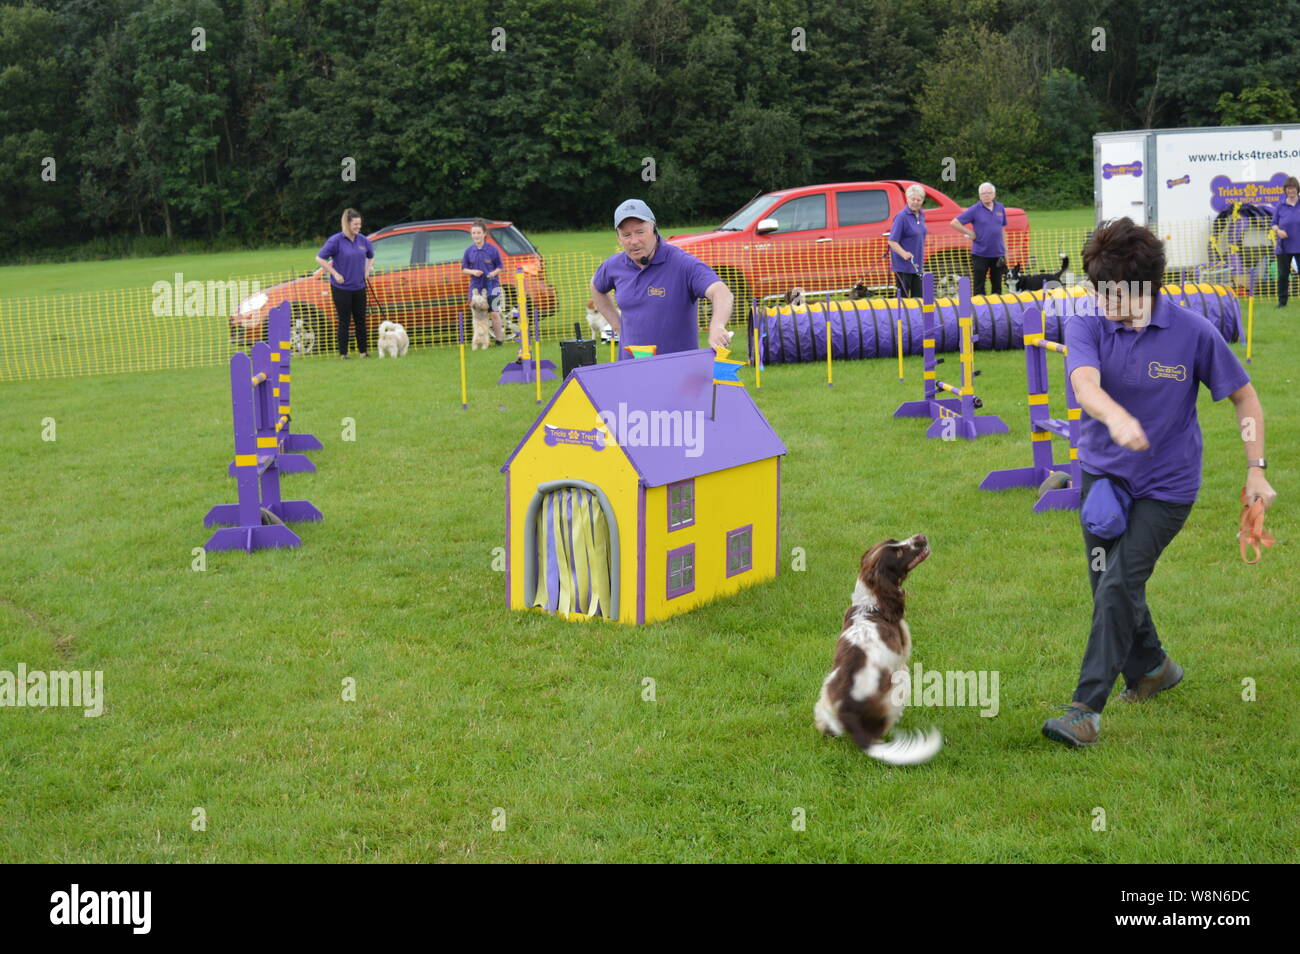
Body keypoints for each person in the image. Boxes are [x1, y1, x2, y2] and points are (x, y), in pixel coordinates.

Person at [1041, 218, 1276, 748]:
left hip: (1166, 487)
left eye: (1116, 295)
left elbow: (1245, 398)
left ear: (1148, 289)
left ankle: (1085, 710)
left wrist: (1255, 469)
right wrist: (1116, 417)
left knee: (1121, 584)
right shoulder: (1087, 322)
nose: (1105, 304)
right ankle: (1154, 669)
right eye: (1098, 292)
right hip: (1104, 478)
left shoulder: (1193, 333)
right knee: (1109, 584)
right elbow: (1083, 383)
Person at [589, 199, 733, 356]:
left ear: (654, 228)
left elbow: (721, 292)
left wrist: (717, 325)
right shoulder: (613, 266)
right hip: (630, 368)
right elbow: (596, 286)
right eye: (626, 235)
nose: (634, 241)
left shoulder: (682, 263)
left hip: (679, 370)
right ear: (618, 237)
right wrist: (617, 326)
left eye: (640, 232)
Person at [316, 208, 374, 358]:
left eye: (359, 224)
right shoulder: (336, 240)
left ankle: (363, 352)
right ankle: (344, 354)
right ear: (347, 224)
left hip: (359, 286)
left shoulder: (363, 240)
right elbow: (320, 259)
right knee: (344, 321)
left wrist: (367, 270)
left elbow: (371, 256)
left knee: (360, 320)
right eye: (355, 224)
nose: (358, 227)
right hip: (341, 288)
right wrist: (335, 273)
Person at [951, 182, 1007, 296]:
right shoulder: (975, 209)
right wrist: (970, 233)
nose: (986, 195)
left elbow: (1002, 229)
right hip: (980, 254)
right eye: (983, 193)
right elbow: (954, 223)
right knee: (979, 285)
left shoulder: (1000, 207)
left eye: (989, 193)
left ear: (994, 194)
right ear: (979, 196)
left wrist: (1005, 250)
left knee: (997, 284)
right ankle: (979, 310)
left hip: (998, 254)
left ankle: (996, 310)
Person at [462, 218, 507, 345]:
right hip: (475, 287)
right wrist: (473, 272)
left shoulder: (493, 250)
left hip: (493, 286)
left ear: (484, 234)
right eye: (473, 233)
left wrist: (493, 273)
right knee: (477, 316)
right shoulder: (469, 251)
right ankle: (480, 341)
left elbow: (500, 267)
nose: (476, 235)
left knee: (495, 314)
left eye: (478, 232)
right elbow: (464, 269)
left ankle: (499, 341)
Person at [888, 184, 927, 299]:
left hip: (917, 265)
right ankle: (901, 317)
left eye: (918, 200)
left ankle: (916, 317)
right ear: (907, 199)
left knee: (919, 298)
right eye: (912, 199)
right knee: (903, 300)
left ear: (922, 200)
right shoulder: (901, 217)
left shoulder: (921, 215)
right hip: (903, 266)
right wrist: (904, 253)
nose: (915, 202)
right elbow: (892, 241)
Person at [1270, 175, 1300, 307]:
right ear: (1285, 190)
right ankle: (1282, 302)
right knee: (1283, 275)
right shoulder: (1280, 206)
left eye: (1293, 188)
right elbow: (1274, 223)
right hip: (1283, 247)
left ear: (1297, 189)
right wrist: (1278, 231)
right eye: (1289, 188)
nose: (1291, 191)